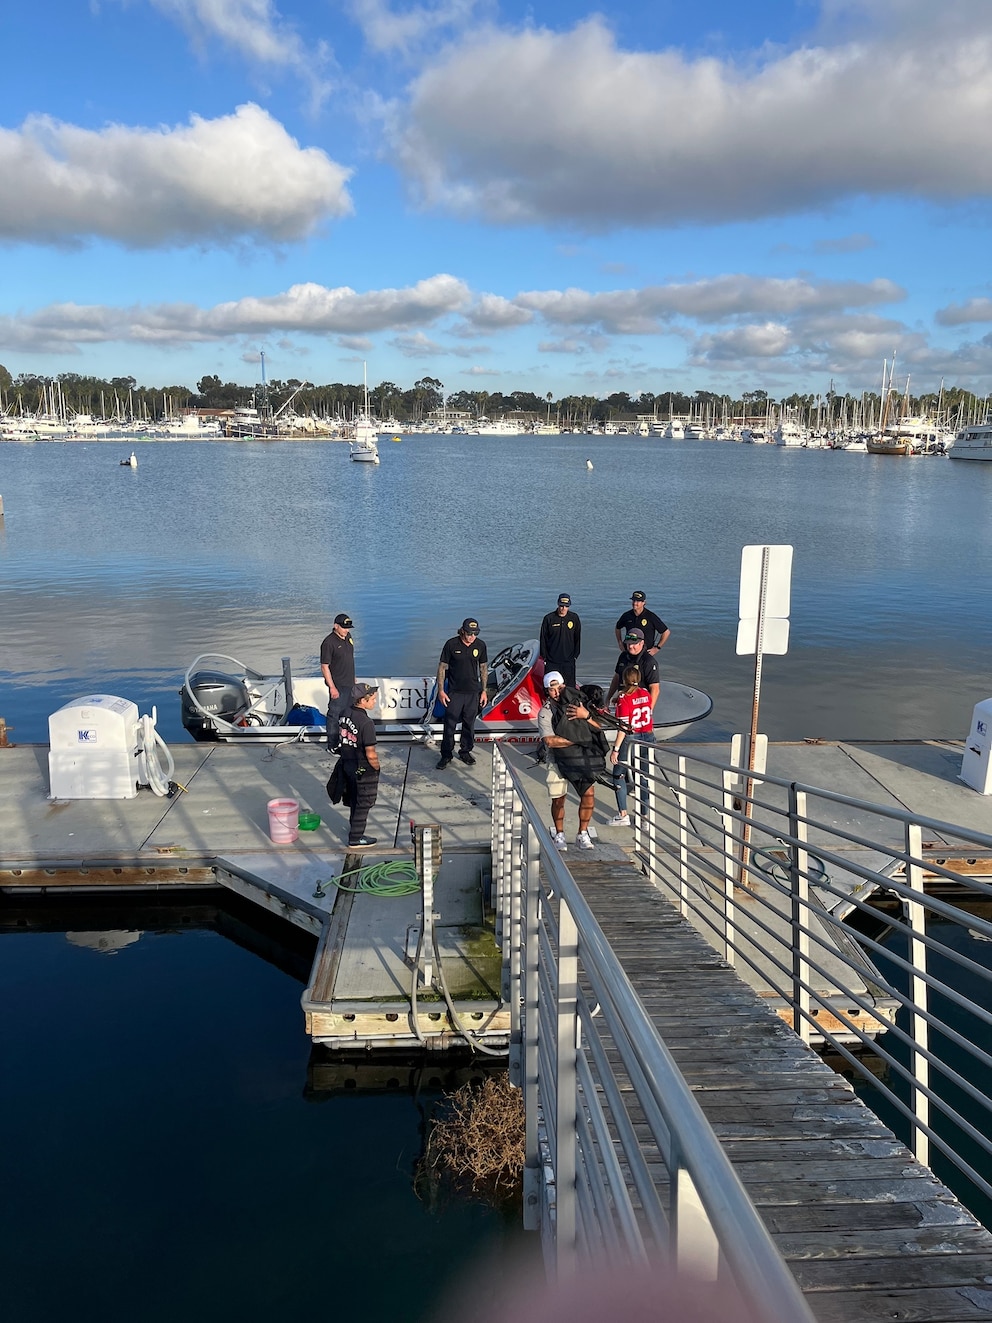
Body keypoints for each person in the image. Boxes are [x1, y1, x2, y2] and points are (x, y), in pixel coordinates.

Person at [537, 671, 606, 851]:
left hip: (581, 756)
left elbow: (599, 729)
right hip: (557, 758)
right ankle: (559, 833)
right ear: (547, 691)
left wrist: (586, 716)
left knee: (589, 796)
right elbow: (549, 741)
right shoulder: (545, 712)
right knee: (559, 799)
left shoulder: (579, 705)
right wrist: (580, 738)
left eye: (559, 687)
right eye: (552, 690)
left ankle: (582, 833)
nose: (557, 692)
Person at [436, 618, 489, 770]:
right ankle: (446, 754)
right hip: (455, 692)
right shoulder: (451, 644)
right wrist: (441, 690)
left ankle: (465, 751)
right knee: (450, 724)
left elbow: (483, 668)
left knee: (469, 724)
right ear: (463, 631)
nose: (472, 637)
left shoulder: (480, 645)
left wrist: (484, 691)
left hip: (473, 692)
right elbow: (442, 668)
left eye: (475, 633)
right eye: (470, 633)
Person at [609, 665, 655, 827]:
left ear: (623, 681)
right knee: (643, 777)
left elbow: (623, 727)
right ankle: (644, 818)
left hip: (631, 737)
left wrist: (615, 749)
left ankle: (623, 814)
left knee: (618, 774)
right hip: (648, 736)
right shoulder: (646, 694)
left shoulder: (623, 699)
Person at [338, 682, 380, 847]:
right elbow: (370, 753)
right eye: (373, 699)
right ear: (362, 700)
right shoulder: (366, 723)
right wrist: (376, 768)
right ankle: (356, 837)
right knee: (364, 801)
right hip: (363, 768)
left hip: (347, 764)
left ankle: (353, 825)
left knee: (354, 797)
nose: (375, 702)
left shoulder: (344, 713)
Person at [320, 613, 356, 752]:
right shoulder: (329, 643)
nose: (346, 630)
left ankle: (346, 740)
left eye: (348, 628)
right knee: (334, 715)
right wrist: (332, 687)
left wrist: (354, 677)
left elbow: (349, 658)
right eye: (344, 628)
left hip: (349, 683)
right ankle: (332, 745)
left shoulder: (348, 637)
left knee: (348, 714)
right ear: (336, 626)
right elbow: (324, 667)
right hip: (338, 685)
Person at [607, 628, 661, 710]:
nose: (630, 646)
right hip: (623, 700)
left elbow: (655, 689)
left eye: (634, 644)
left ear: (642, 643)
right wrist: (608, 699)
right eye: (628, 644)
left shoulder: (649, 662)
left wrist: (649, 711)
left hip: (639, 704)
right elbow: (617, 678)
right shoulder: (623, 656)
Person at [539, 592, 582, 687]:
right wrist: (544, 656)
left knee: (569, 686)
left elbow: (577, 638)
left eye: (566, 606)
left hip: (569, 659)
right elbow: (543, 638)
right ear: (558, 604)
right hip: (552, 660)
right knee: (552, 687)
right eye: (561, 606)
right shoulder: (549, 618)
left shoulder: (574, 618)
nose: (563, 609)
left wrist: (575, 655)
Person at [614, 591, 670, 656]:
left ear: (644, 603)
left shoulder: (650, 616)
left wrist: (657, 648)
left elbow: (666, 632)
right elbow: (617, 628)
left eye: (638, 601)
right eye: (633, 600)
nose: (635, 603)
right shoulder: (626, 615)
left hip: (645, 653)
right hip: (629, 651)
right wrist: (620, 643)